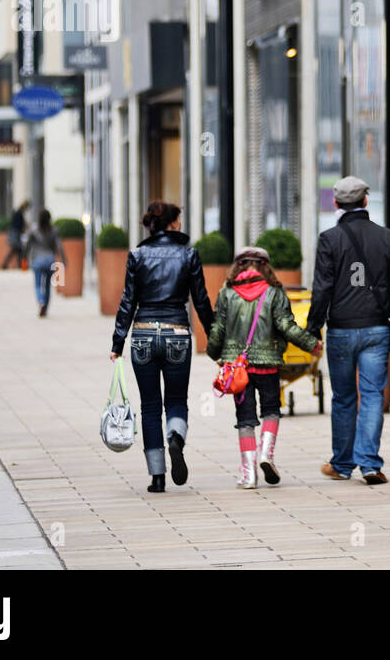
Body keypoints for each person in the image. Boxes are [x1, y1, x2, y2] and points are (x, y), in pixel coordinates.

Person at [110, 201, 214, 493]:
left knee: (150, 407)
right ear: (172, 223)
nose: (181, 224)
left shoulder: (137, 255)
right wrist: (215, 336)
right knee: (177, 400)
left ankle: (157, 477)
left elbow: (127, 301)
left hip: (142, 333)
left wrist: (118, 342)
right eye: (179, 219)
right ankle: (176, 438)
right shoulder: (188, 255)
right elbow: (201, 301)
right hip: (177, 332)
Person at [306, 176, 390, 485]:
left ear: (336, 204)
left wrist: (312, 328)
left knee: (344, 397)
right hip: (376, 328)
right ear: (365, 202)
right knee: (373, 395)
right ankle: (370, 464)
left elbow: (321, 288)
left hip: (341, 330)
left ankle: (342, 464)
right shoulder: (387, 238)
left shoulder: (329, 239)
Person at [208, 246, 322, 488]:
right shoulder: (275, 293)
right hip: (269, 364)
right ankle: (266, 454)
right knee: (271, 409)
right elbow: (286, 326)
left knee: (245, 418)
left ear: (238, 266)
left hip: (238, 369)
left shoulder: (227, 293)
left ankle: (248, 473)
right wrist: (311, 344)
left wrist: (214, 353)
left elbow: (217, 329)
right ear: (264, 266)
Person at [24, 210, 65, 317]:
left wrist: (24, 258)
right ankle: (45, 307)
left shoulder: (34, 230)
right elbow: (59, 246)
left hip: (37, 260)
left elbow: (27, 245)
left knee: (38, 284)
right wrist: (64, 261)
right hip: (50, 260)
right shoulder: (54, 231)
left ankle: (41, 301)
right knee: (47, 285)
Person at [3, 201, 29, 269]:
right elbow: (19, 225)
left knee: (17, 251)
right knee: (18, 250)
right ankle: (22, 266)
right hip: (16, 235)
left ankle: (20, 265)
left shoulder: (18, 213)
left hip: (15, 234)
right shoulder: (19, 214)